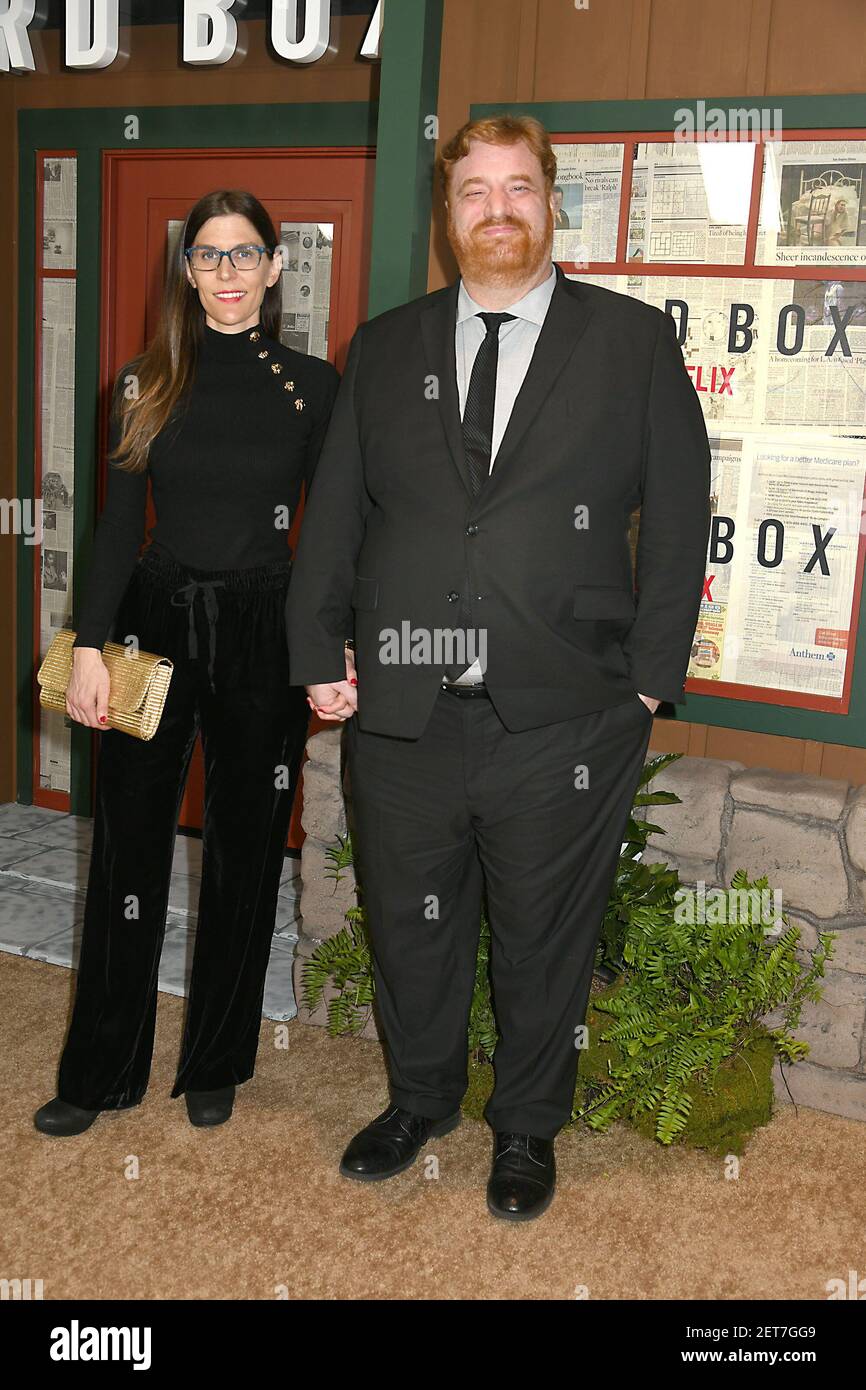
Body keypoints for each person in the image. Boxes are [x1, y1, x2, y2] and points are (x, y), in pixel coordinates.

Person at [286, 115, 711, 1221]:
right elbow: (333, 519)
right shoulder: (382, 348)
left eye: (516, 188)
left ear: (549, 201)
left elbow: (677, 515)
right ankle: (418, 1097)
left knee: (541, 937)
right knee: (410, 925)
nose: (495, 210)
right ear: (447, 213)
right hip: (404, 706)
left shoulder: (627, 343)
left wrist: (647, 677)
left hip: (564, 716)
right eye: (472, 191)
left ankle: (523, 1127)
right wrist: (313, 646)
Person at [35, 189, 340, 1137]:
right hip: (153, 621)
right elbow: (118, 525)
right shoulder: (143, 381)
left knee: (246, 853)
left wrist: (328, 650)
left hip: (266, 627)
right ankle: (99, 1073)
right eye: (209, 255)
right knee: (128, 844)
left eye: (245, 253)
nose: (228, 273)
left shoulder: (312, 386)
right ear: (189, 269)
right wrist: (88, 643)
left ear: (276, 266)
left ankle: (217, 1060)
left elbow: (329, 537)